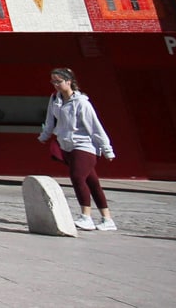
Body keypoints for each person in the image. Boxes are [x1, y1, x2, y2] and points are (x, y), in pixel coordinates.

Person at [39, 67, 116, 231]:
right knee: (93, 182)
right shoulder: (55, 99)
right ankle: (107, 219)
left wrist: (107, 149)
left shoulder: (82, 103)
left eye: (59, 81)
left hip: (84, 146)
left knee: (77, 177)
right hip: (66, 146)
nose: (56, 85)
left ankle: (86, 216)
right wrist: (45, 135)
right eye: (53, 81)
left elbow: (95, 127)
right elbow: (50, 120)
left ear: (69, 81)